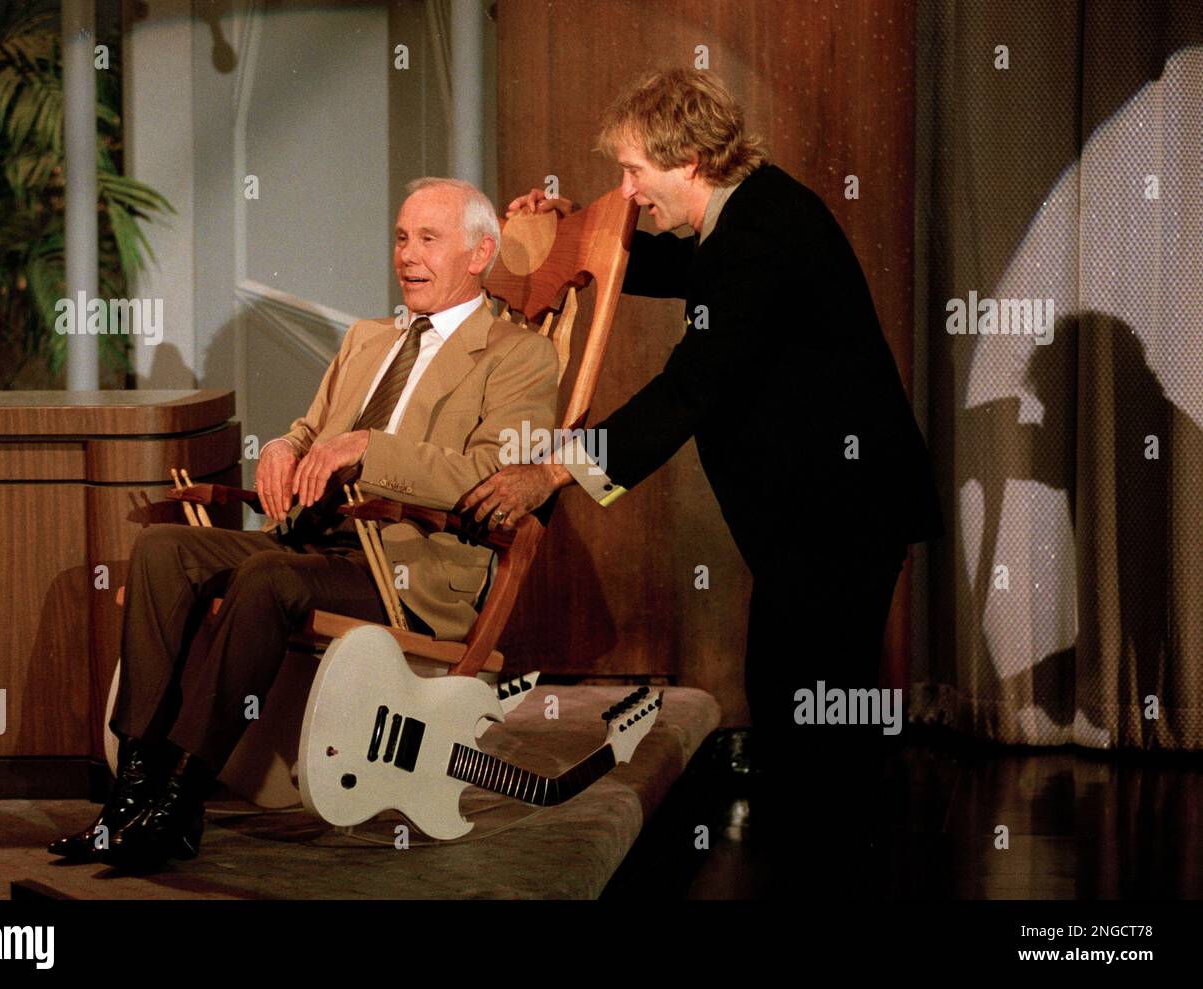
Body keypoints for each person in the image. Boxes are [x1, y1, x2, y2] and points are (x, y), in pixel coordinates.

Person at [460, 68, 941, 881]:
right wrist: (570, 229)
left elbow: (688, 389)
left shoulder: (757, 237)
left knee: (810, 722)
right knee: (796, 709)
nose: (626, 190)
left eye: (633, 171)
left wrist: (553, 473)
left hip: (841, 517)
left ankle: (833, 875)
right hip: (828, 517)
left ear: (687, 159)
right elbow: (666, 265)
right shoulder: (748, 212)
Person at [49, 177, 558, 872]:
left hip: (406, 567)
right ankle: (129, 796)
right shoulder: (369, 338)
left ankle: (182, 800)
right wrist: (284, 448)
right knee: (164, 548)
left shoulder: (518, 354)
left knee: (268, 576)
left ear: (479, 254)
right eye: (401, 238)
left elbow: (491, 475)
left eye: (428, 240)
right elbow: (310, 429)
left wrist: (370, 450)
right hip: (314, 539)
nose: (407, 255)